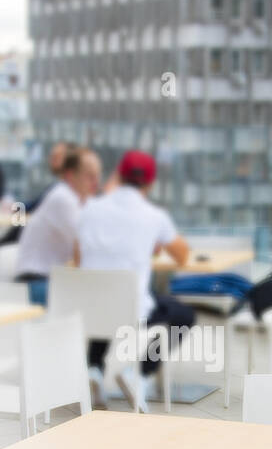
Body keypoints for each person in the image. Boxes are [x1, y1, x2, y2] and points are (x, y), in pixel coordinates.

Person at [76, 150, 193, 409]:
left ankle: (94, 369)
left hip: (88, 309)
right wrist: (152, 241)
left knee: (104, 296)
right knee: (183, 315)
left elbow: (76, 258)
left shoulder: (89, 210)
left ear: (118, 174)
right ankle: (140, 373)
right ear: (150, 183)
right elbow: (183, 256)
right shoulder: (154, 216)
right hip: (131, 314)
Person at [14, 148, 100, 304]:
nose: (96, 181)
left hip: (45, 280)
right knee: (98, 302)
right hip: (35, 283)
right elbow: (85, 248)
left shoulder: (77, 200)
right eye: (89, 175)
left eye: (97, 175)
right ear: (70, 175)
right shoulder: (63, 198)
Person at [22, 140, 76, 213]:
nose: (50, 160)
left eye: (56, 157)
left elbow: (34, 206)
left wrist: (14, 207)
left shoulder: (62, 190)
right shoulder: (60, 186)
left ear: (69, 160)